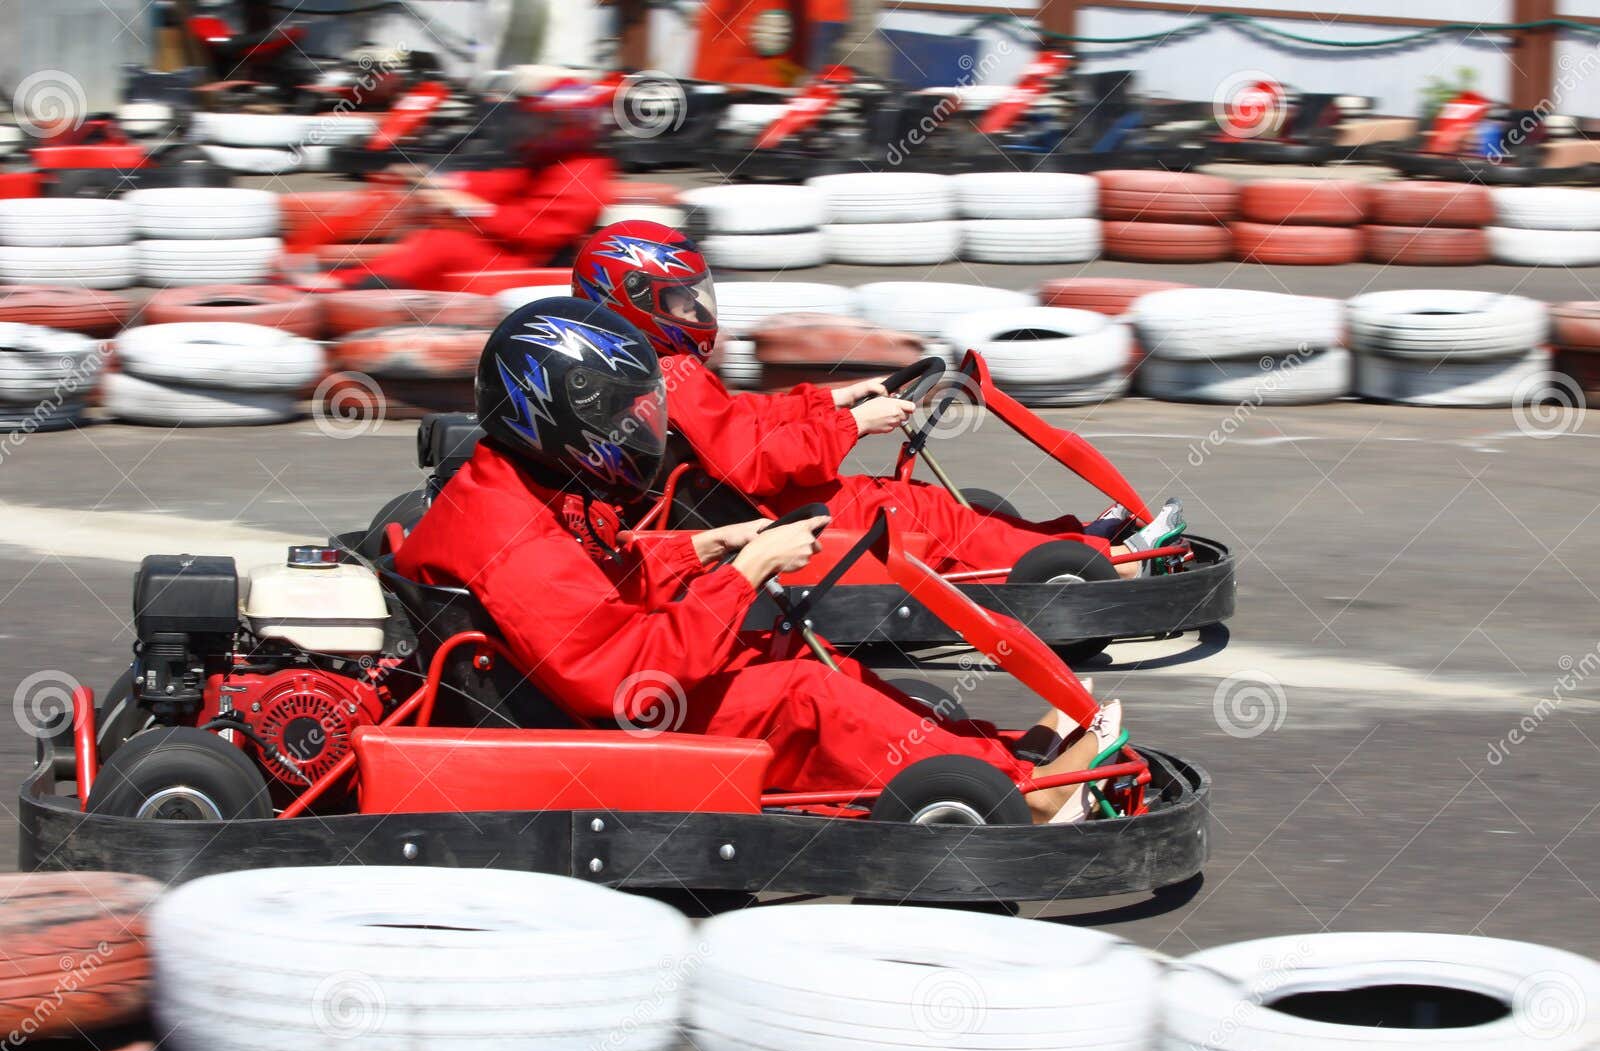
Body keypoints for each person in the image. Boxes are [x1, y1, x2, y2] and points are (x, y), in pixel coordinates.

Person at [395, 297, 1130, 822]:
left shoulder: (517, 483)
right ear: (558, 414)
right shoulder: (505, 527)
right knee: (802, 695)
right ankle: (1023, 799)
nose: (637, 432)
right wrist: (747, 570)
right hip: (586, 724)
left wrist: (704, 547)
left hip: (575, 686)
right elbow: (618, 669)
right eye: (619, 417)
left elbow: (597, 581)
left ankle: (986, 762)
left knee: (787, 649)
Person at [571, 220, 1187, 576]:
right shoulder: (662, 375)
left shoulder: (654, 368)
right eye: (681, 302)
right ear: (632, 301)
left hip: (766, 500)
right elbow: (751, 460)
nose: (697, 312)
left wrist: (837, 398)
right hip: (767, 517)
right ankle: (1109, 564)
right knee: (925, 515)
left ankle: (1079, 540)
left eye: (696, 297)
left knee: (937, 507)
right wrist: (854, 426)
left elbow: (746, 420)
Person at [293, 79, 614, 292]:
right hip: (507, 249)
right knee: (425, 222)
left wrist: (466, 204)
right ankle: (313, 260)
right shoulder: (548, 163)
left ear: (570, 125)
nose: (532, 129)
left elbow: (537, 231)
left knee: (443, 244)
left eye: (543, 122)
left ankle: (349, 289)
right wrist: (436, 181)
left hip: (529, 264)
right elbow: (502, 185)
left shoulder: (584, 173)